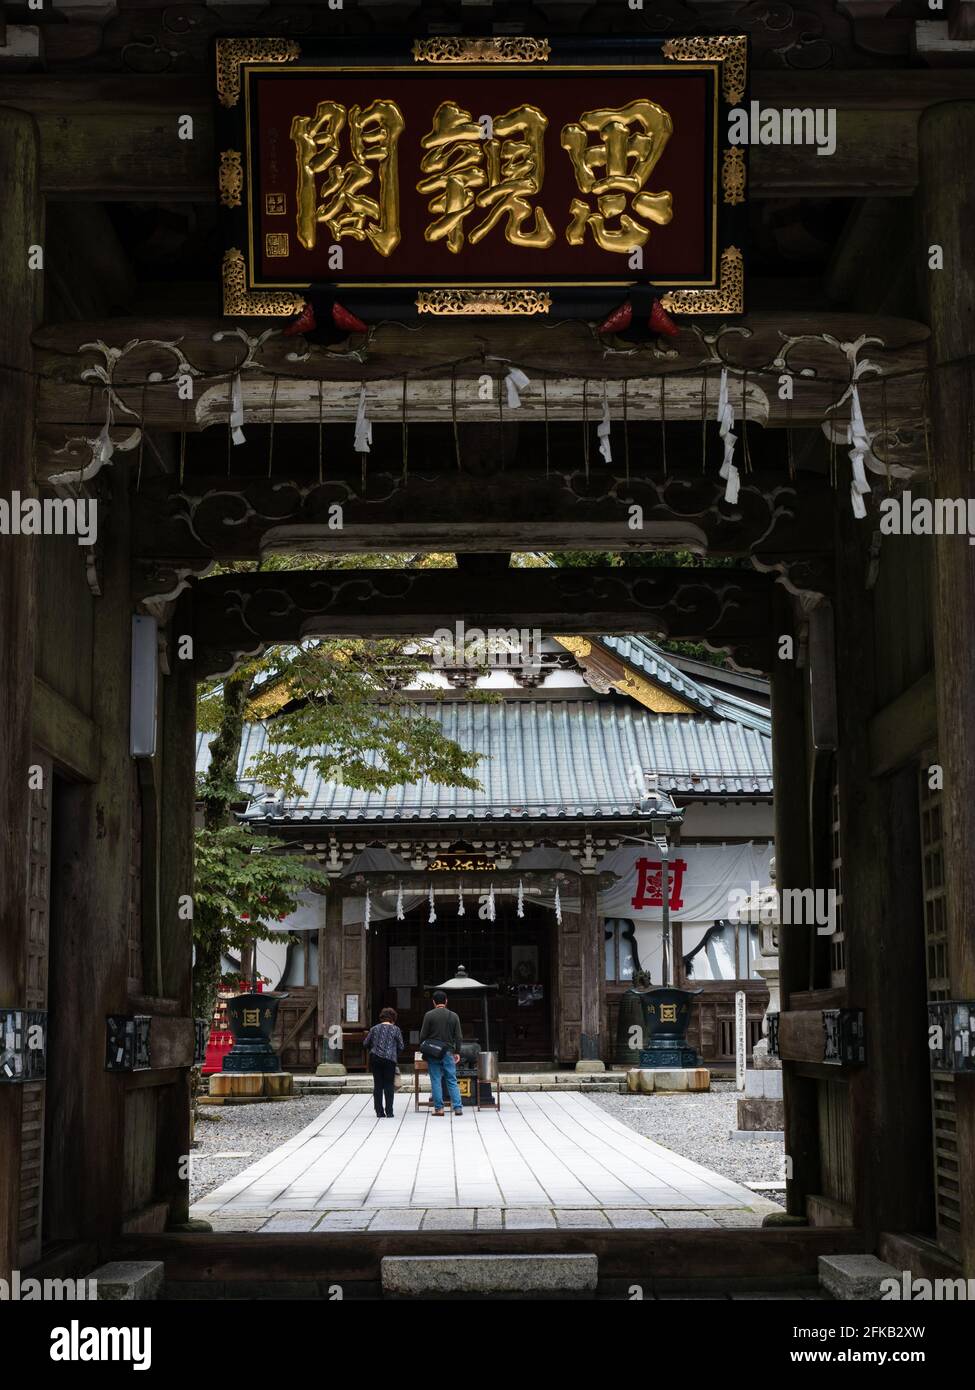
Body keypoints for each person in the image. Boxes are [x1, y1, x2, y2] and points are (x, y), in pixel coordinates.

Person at [419, 990, 463, 1117]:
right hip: (448, 1052)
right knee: (451, 1079)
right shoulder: (454, 1016)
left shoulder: (429, 1015)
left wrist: (425, 1046)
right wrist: (457, 1051)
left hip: (433, 1053)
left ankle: (439, 1108)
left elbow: (423, 1035)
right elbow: (459, 1037)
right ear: (446, 1001)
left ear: (433, 1002)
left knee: (436, 1080)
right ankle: (458, 1107)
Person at [362, 1007, 405, 1119]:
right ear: (393, 1018)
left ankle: (379, 1111)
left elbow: (365, 1043)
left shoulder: (374, 1029)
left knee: (378, 1085)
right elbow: (401, 1046)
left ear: (382, 1017)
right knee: (388, 1085)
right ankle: (389, 1111)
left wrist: (374, 1048)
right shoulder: (396, 1029)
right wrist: (394, 1054)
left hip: (375, 1058)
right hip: (390, 1059)